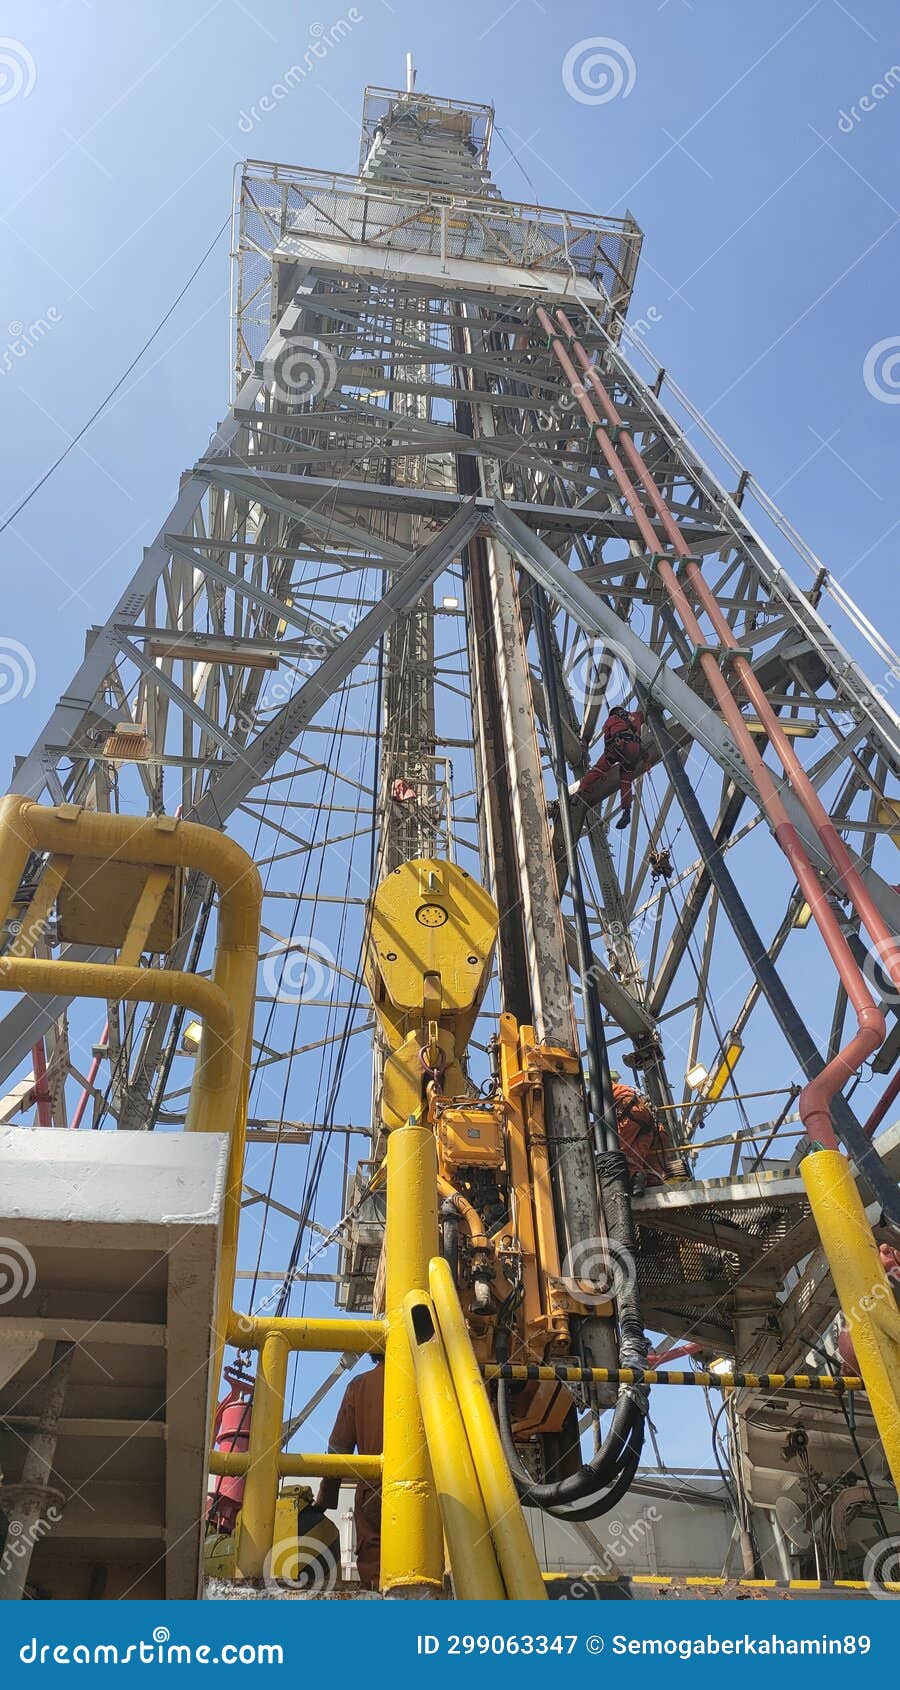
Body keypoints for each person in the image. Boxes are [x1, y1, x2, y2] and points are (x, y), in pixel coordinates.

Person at [314, 1353, 384, 1589]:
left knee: (376, 1567)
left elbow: (339, 1447)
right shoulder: (435, 1382)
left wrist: (324, 1500)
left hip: (374, 1490)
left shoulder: (359, 1385)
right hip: (430, 1489)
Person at [577, 707, 646, 828]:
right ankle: (626, 811)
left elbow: (607, 736)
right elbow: (645, 714)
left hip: (618, 748)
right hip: (634, 752)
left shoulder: (612, 719)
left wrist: (608, 752)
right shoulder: (635, 716)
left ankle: (581, 791)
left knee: (598, 769)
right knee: (626, 781)